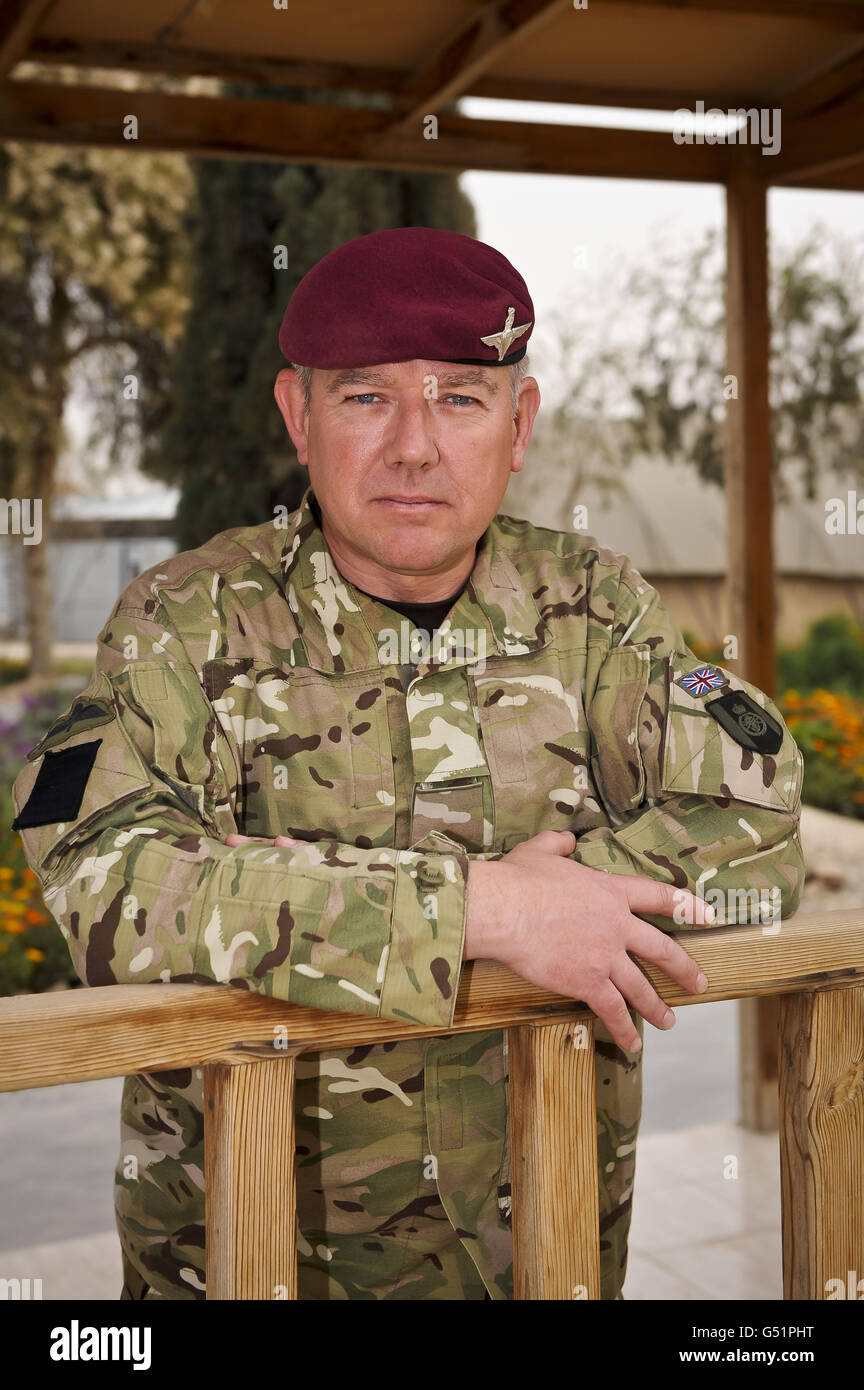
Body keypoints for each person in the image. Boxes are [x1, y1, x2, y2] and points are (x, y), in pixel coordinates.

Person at [11, 226, 805, 1301]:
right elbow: (99, 874)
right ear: (299, 416)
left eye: (460, 398)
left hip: (545, 1242)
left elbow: (756, 809)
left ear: (519, 425)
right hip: (250, 1254)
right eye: (366, 398)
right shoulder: (186, 621)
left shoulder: (596, 609)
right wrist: (485, 910)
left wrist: (554, 900)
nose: (416, 446)